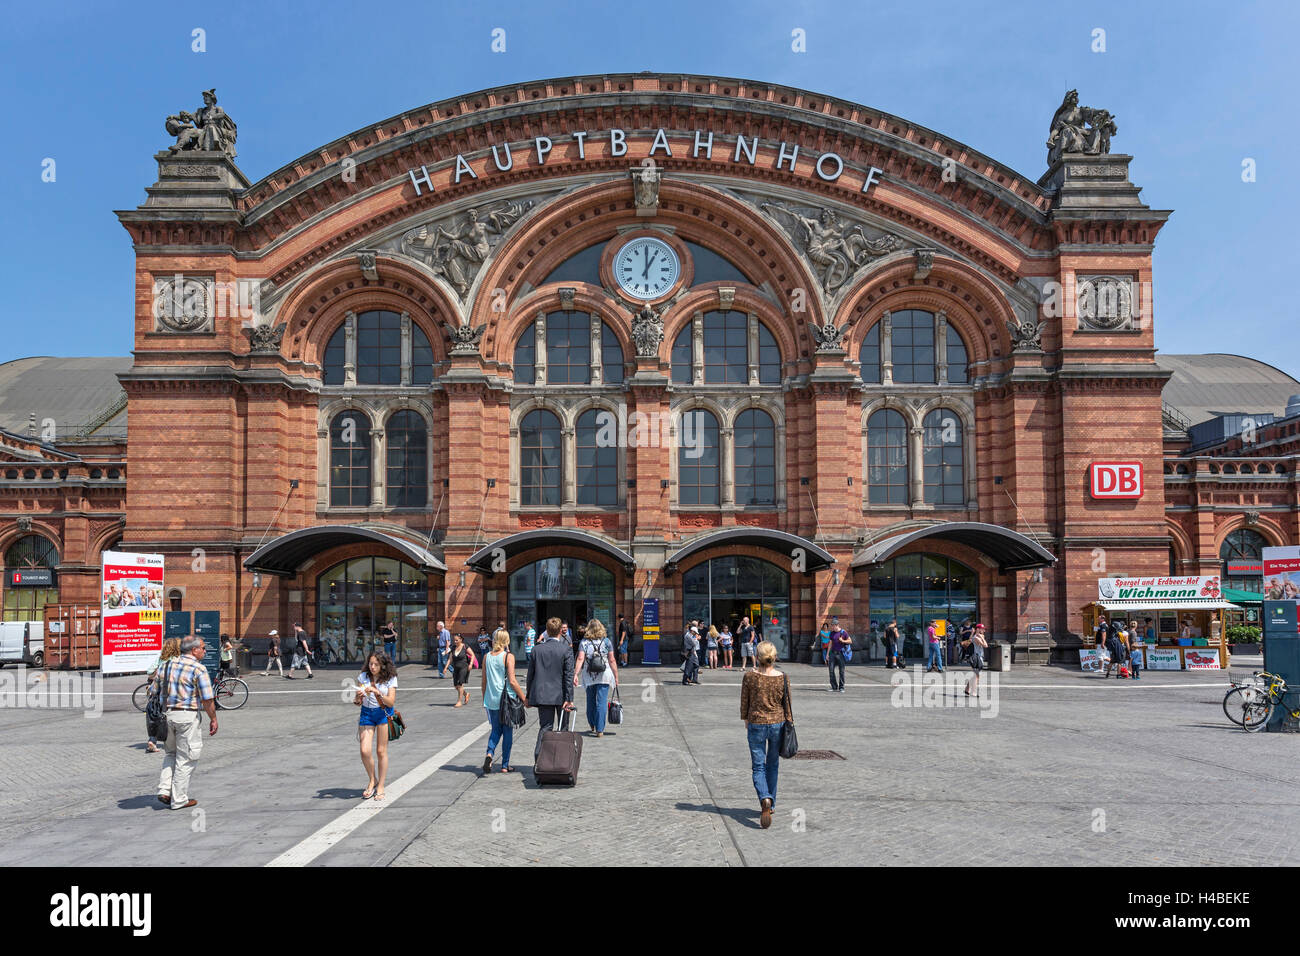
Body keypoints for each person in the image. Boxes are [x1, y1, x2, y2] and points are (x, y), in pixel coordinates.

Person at [155, 636, 217, 809]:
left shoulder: (166, 665)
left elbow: (153, 691)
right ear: (194, 650)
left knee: (170, 753)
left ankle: (164, 790)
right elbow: (207, 699)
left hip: (167, 716)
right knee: (186, 758)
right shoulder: (199, 669)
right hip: (187, 717)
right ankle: (179, 799)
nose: (205, 651)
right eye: (203, 648)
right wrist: (213, 718)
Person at [740, 640, 793, 830]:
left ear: (757, 657)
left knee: (758, 766)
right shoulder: (782, 677)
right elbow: (787, 703)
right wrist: (789, 722)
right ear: (774, 656)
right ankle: (771, 804)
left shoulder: (749, 676)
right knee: (773, 765)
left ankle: (765, 798)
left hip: (756, 723)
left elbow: (744, 701)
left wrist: (745, 719)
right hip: (778, 724)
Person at [353, 651, 397, 800]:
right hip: (367, 714)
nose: (372, 667)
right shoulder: (363, 677)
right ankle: (373, 779)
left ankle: (381, 785)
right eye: (370, 663)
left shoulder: (391, 678)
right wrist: (358, 697)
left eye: (376, 664)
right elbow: (357, 702)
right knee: (364, 750)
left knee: (380, 751)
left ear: (383, 665)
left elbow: (391, 702)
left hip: (383, 713)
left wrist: (377, 692)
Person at [481, 628, 526, 774]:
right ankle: (505, 765)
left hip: (491, 699)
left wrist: (485, 698)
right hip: (506, 699)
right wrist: (524, 698)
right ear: (506, 640)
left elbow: (484, 681)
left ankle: (489, 754)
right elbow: (512, 681)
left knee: (495, 730)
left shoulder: (486, 657)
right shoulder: (508, 656)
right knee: (507, 731)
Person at [525, 617, 575, 739]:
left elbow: (530, 675)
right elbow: (569, 675)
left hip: (543, 694)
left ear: (546, 631)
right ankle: (562, 757)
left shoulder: (536, 650)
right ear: (560, 631)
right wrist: (569, 698)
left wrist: (528, 696)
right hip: (561, 695)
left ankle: (540, 756)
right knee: (563, 728)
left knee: (545, 728)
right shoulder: (566, 650)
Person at [574, 618, 619, 737]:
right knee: (602, 702)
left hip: (589, 675)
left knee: (590, 701)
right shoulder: (607, 642)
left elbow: (580, 659)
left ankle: (592, 724)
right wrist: (616, 675)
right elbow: (612, 660)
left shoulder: (584, 642)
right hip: (604, 674)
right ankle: (600, 729)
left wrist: (575, 674)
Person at [145, 638, 182, 753]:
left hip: (160, 693)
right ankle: (174, 741)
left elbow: (149, 671)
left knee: (157, 716)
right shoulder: (178, 660)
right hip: (175, 693)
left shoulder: (161, 659)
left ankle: (153, 740)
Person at [449, 633, 476, 706]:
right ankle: (466, 694)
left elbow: (472, 655)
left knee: (460, 684)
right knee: (456, 686)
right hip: (456, 668)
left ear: (461, 640)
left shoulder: (465, 646)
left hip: (464, 667)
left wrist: (470, 664)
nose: (455, 642)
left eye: (456, 640)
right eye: (454, 640)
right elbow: (450, 658)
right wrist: (445, 667)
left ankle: (459, 701)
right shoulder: (453, 647)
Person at [964, 624, 988, 697]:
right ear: (978, 629)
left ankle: (967, 689)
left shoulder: (976, 637)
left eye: (984, 629)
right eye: (982, 629)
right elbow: (986, 645)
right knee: (976, 675)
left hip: (978, 657)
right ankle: (973, 692)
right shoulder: (977, 638)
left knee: (975, 675)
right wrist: (982, 638)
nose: (984, 630)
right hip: (976, 658)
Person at [827, 622, 851, 692]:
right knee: (831, 670)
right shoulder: (832, 633)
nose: (832, 627)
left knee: (841, 671)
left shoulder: (843, 632)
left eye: (833, 626)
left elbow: (850, 641)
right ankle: (834, 686)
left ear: (837, 625)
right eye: (832, 626)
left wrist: (843, 640)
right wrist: (827, 654)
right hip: (832, 653)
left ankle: (841, 687)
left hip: (841, 654)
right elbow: (830, 643)